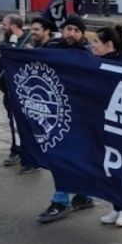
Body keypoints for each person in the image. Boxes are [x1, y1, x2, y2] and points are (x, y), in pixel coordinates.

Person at [37, 15, 96, 223]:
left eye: (76, 30)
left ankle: (62, 200)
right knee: (64, 156)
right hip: (56, 113)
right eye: (68, 29)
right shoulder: (52, 48)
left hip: (79, 114)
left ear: (82, 34)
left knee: (68, 157)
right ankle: (82, 196)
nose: (71, 33)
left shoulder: (88, 54)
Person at [90, 25, 122, 228]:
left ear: (108, 44)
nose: (92, 45)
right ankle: (117, 207)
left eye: (96, 42)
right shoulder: (94, 62)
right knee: (108, 168)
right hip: (103, 123)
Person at [0, 14, 33, 169]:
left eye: (4, 24)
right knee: (14, 123)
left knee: (23, 125)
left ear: (13, 26)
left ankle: (21, 152)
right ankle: (18, 150)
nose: (2, 26)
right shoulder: (5, 44)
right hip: (9, 92)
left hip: (24, 94)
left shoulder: (29, 44)